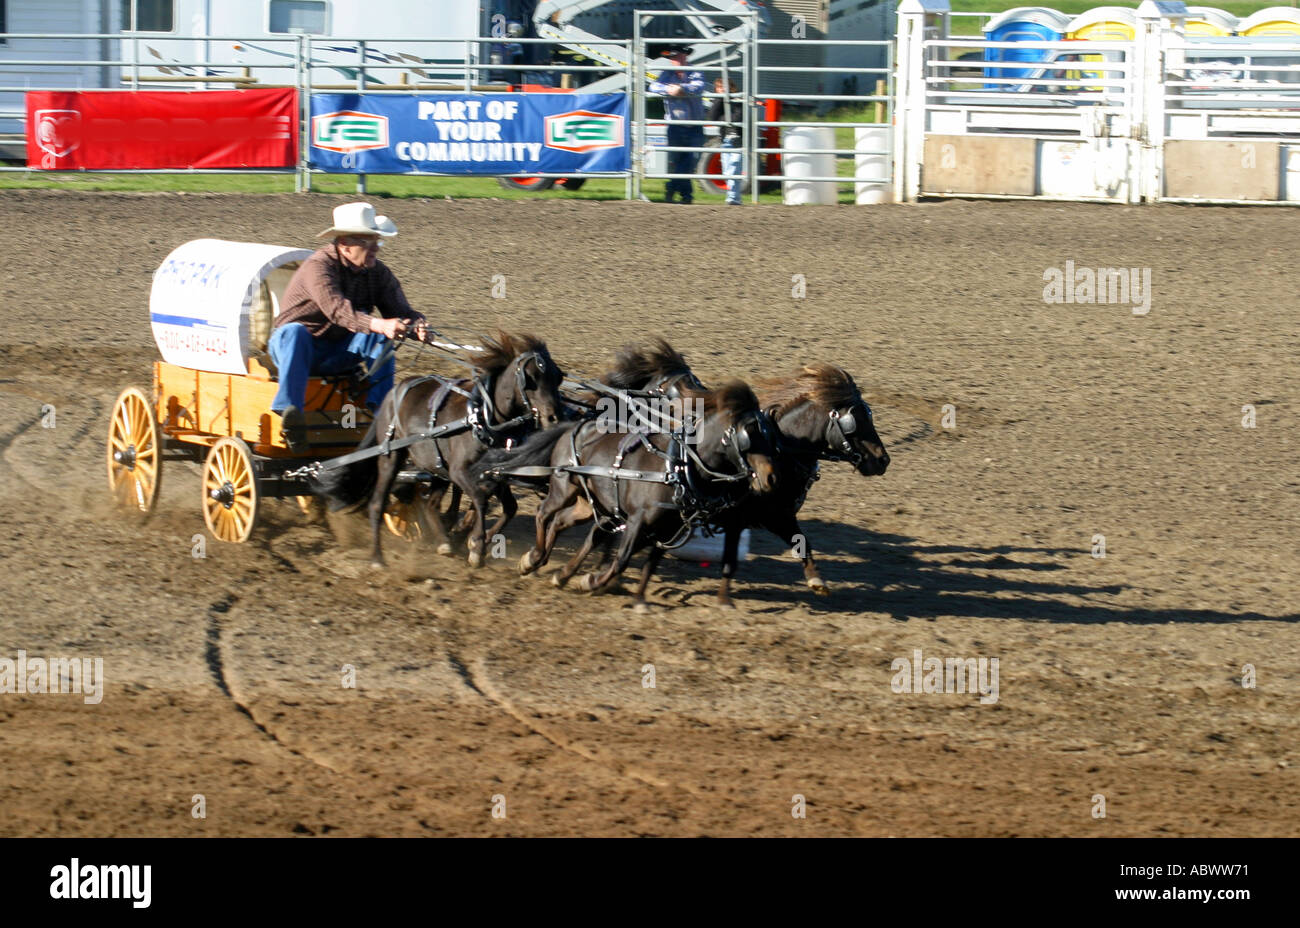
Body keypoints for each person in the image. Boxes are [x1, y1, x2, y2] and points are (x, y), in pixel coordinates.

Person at [269, 202, 427, 451]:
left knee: (379, 340)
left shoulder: (378, 273)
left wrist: (418, 325)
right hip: (296, 349)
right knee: (296, 332)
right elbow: (336, 310)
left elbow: (401, 311)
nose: (376, 247)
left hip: (339, 350)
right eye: (368, 241)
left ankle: (381, 417)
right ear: (344, 245)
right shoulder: (318, 266)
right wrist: (379, 324)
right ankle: (291, 415)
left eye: (378, 240)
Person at [649, 45, 706, 204]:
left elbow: (699, 86)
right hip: (675, 126)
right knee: (682, 161)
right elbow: (653, 86)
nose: (676, 60)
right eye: (673, 58)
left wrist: (681, 88)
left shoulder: (695, 72)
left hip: (694, 125)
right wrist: (669, 89)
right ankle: (686, 196)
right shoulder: (666, 74)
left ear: (685, 56)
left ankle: (673, 187)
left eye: (678, 56)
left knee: (690, 160)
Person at [708, 78, 744, 205]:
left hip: (738, 139)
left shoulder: (738, 100)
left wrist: (722, 119)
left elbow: (738, 117)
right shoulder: (718, 101)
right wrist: (720, 99)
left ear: (731, 87)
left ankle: (733, 199)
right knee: (727, 171)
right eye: (718, 87)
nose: (721, 89)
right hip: (725, 140)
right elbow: (712, 118)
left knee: (733, 169)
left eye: (723, 86)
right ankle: (735, 198)